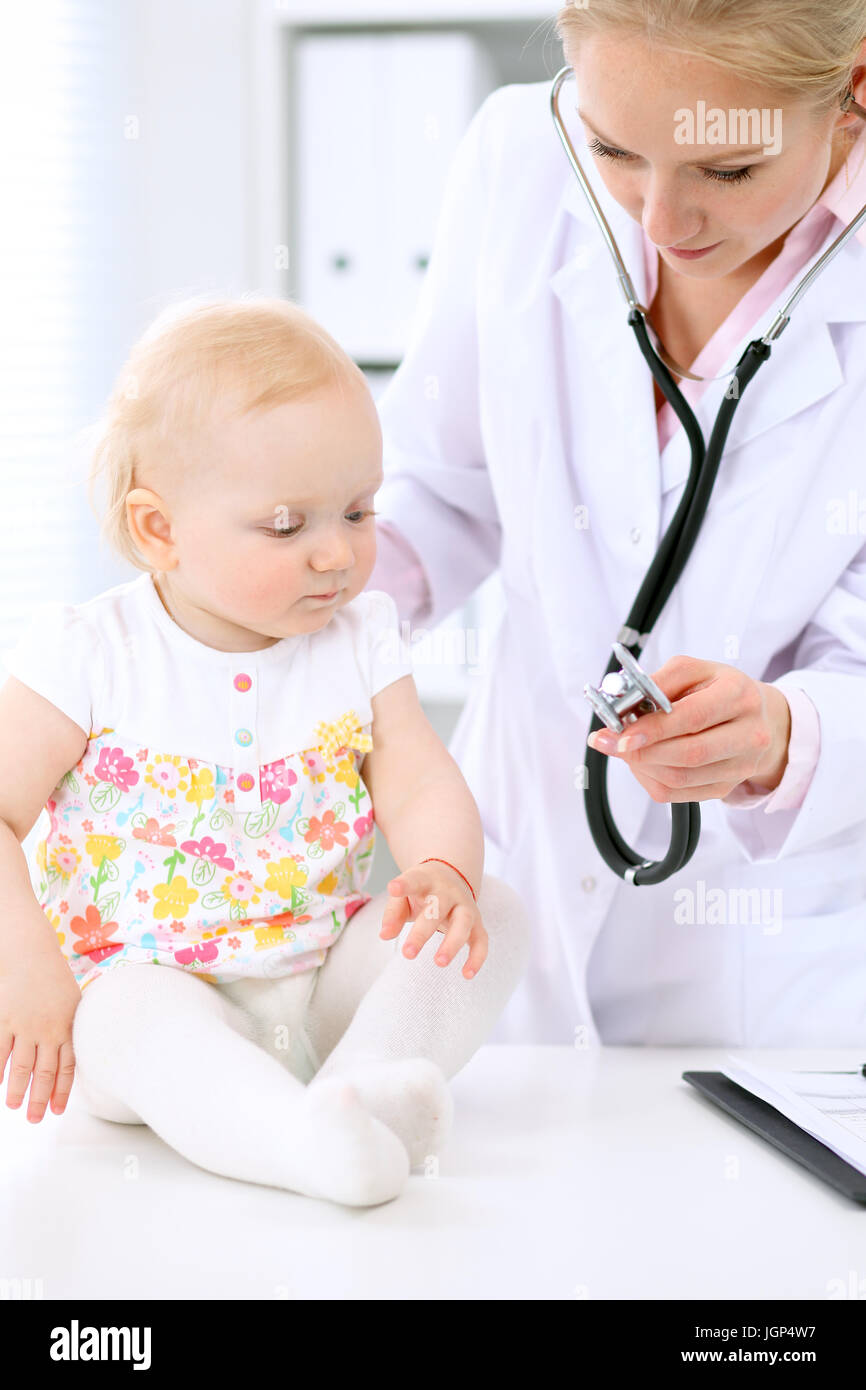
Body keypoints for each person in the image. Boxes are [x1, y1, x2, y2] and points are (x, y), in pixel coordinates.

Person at [367, 0, 866, 1048]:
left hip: (778, 978)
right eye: (614, 149)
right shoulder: (518, 153)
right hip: (511, 916)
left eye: (724, 172)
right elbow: (443, 486)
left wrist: (782, 734)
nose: (658, 220)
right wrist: (280, 608)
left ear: (855, 87)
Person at [0, 295, 531, 1207]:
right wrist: (30, 970)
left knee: (495, 914)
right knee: (127, 1014)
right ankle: (303, 1141)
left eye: (360, 513)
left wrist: (443, 867)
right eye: (289, 527)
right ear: (157, 529)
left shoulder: (358, 637)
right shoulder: (93, 652)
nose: (335, 555)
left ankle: (354, 1091)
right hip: (154, 996)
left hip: (317, 988)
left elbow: (415, 774)